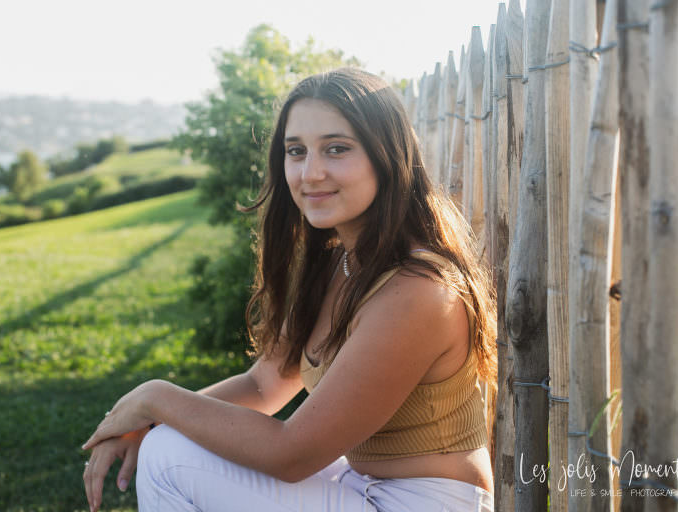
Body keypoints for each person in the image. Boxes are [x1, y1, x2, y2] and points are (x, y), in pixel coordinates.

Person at [82, 67, 497, 512]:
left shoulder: (417, 291)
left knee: (168, 458)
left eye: (336, 149)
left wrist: (154, 398)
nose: (310, 172)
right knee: (167, 442)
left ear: (387, 156)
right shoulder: (339, 261)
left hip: (421, 503)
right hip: (360, 484)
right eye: (296, 151)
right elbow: (263, 386)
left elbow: (291, 454)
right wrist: (145, 422)